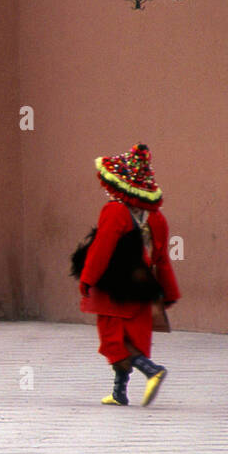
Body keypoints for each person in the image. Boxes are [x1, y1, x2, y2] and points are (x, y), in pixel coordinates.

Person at [76, 143, 180, 406]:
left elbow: (102, 249)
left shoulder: (114, 211)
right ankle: (119, 392)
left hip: (116, 288)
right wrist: (167, 292)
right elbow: (161, 259)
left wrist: (87, 278)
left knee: (113, 339)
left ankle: (151, 370)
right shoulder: (157, 218)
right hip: (143, 287)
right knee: (133, 337)